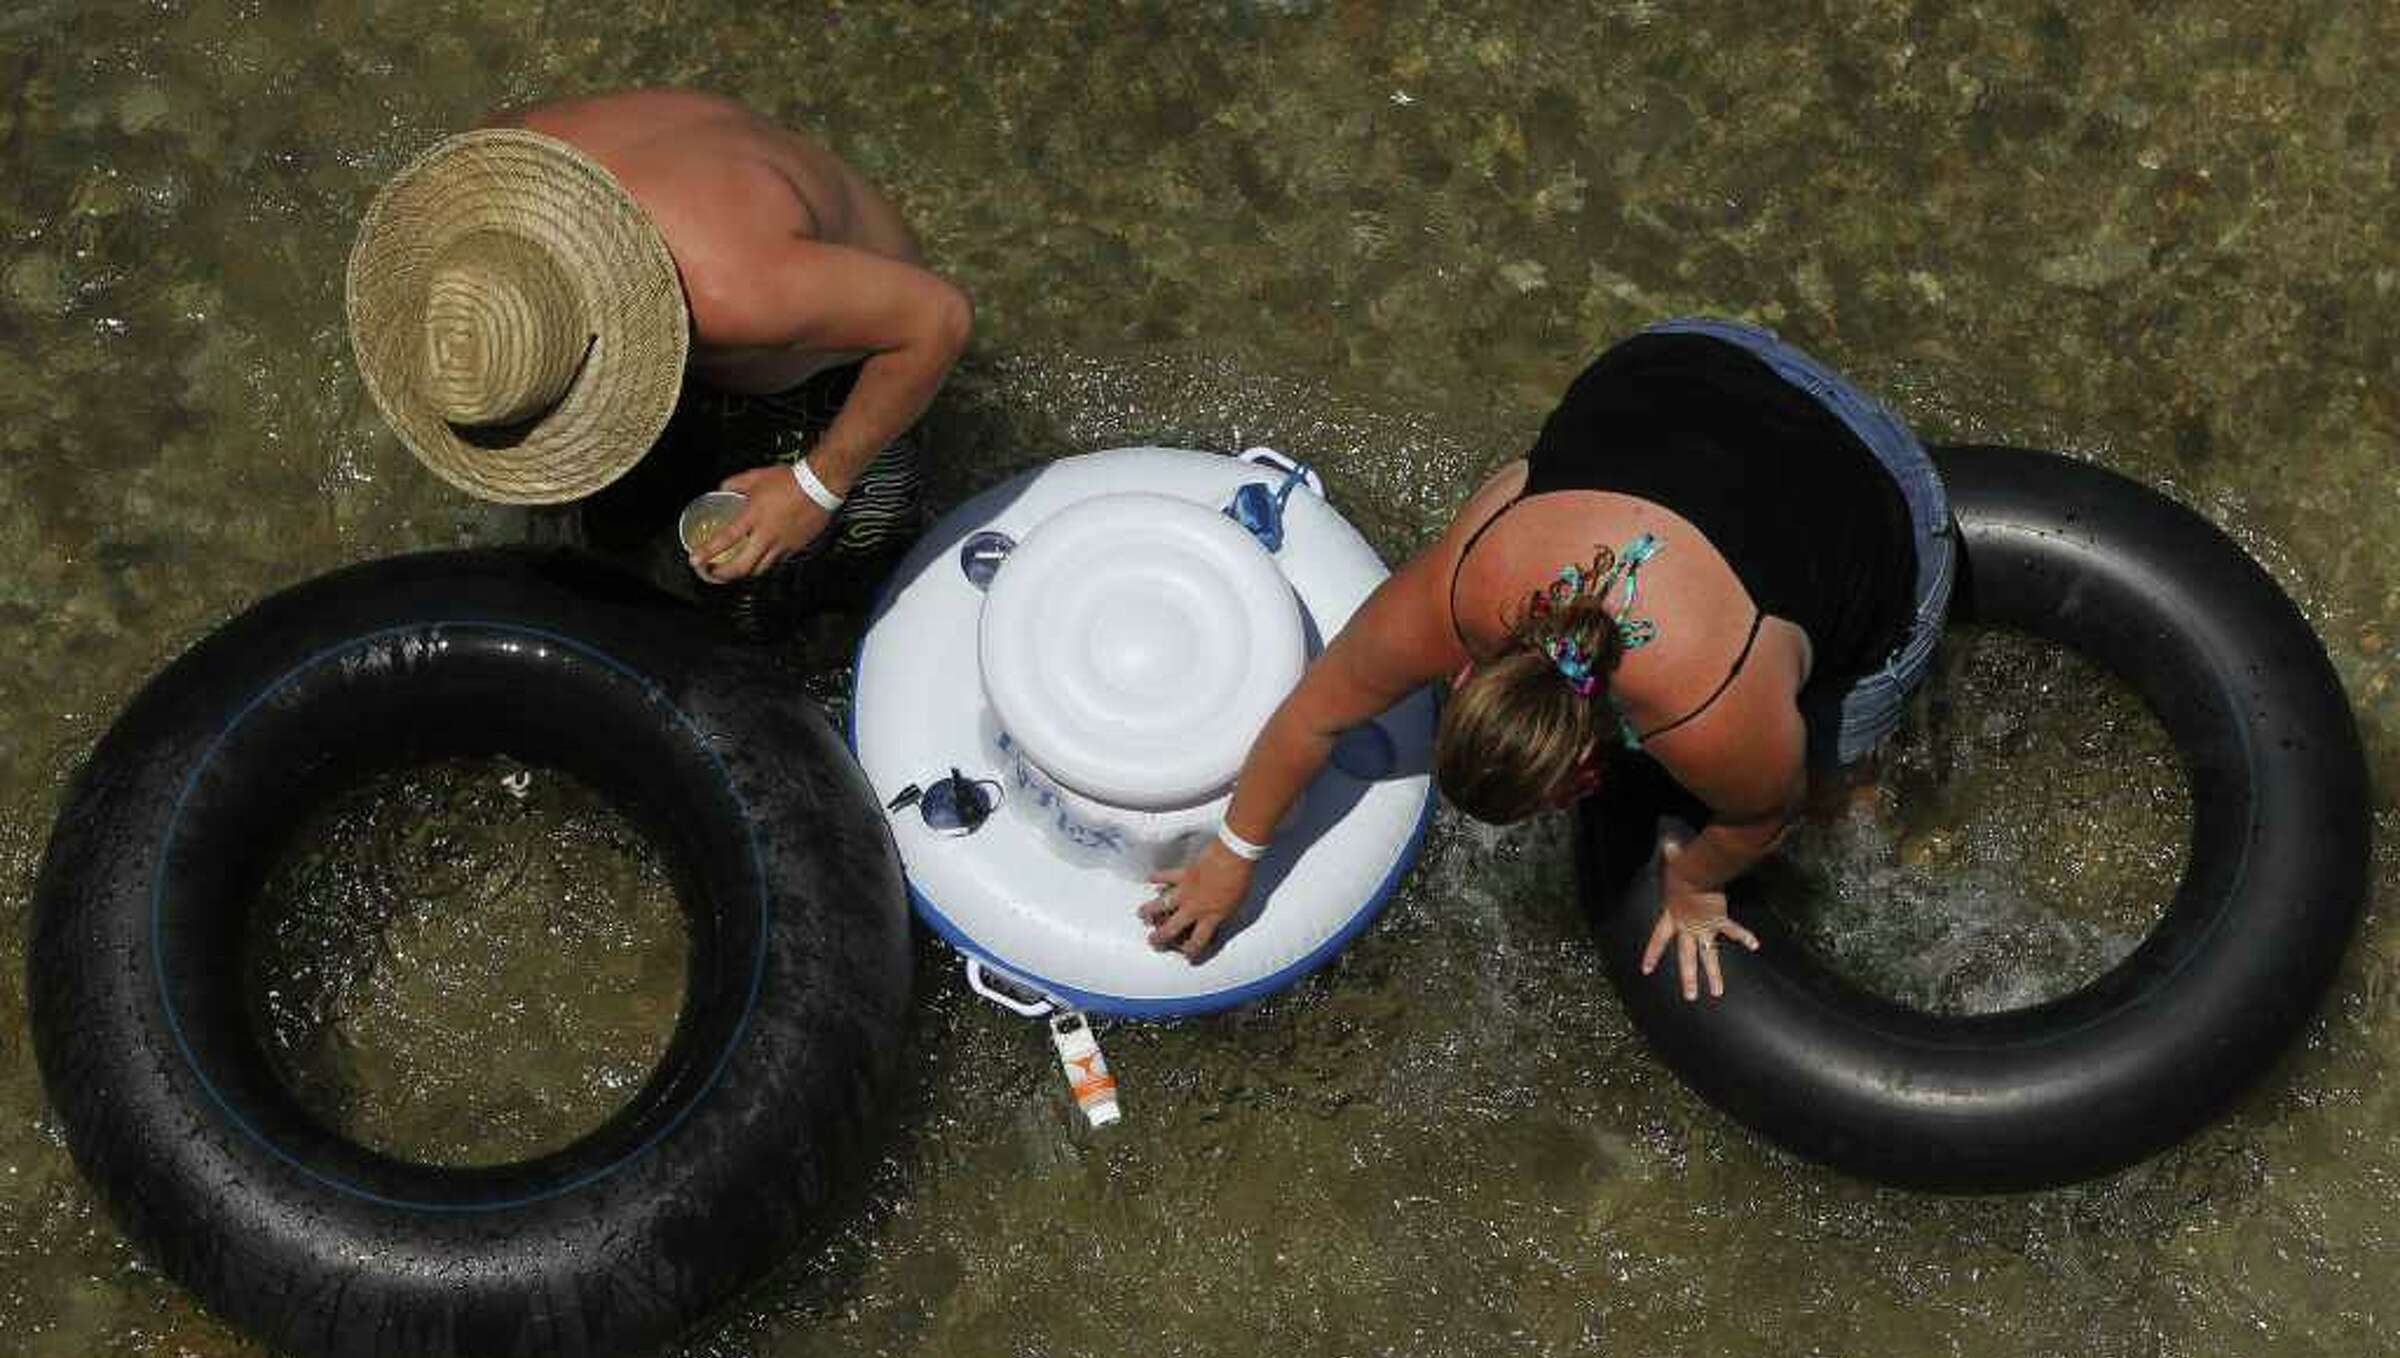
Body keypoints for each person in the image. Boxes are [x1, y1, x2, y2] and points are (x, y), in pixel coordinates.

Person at [1142, 317, 1955, 1000]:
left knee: (1827, 783)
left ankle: (1878, 797)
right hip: (1706, 353)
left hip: (1877, 477)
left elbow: (1759, 816)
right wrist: (1231, 856)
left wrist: (1697, 883)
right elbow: (1313, 714)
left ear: (1587, 772)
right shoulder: (1465, 587)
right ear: (1470, 672)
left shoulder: (1707, 717)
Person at [345, 89, 972, 630]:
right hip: (745, 266)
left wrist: (816, 488)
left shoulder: (731, 293)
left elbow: (939, 320)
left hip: (856, 354)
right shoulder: (501, 159)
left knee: (803, 579)